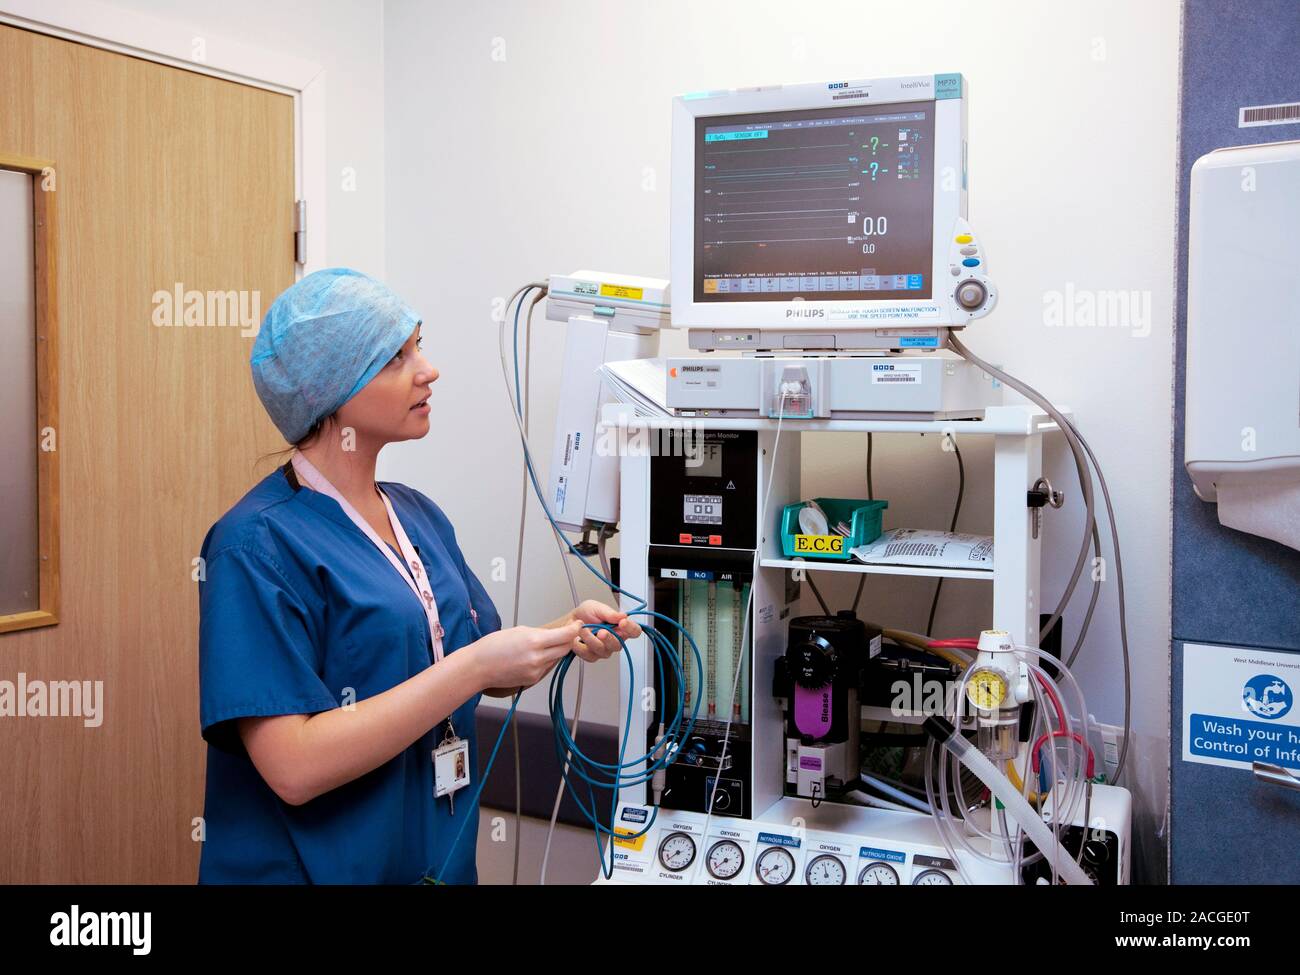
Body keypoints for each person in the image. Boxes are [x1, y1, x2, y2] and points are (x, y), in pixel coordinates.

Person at [196, 267, 638, 884]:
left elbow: (465, 658)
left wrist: (557, 637)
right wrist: (478, 667)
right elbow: (292, 768)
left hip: (437, 859)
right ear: (331, 391)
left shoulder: (416, 515)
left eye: (419, 346)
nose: (428, 369)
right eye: (397, 357)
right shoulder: (254, 546)